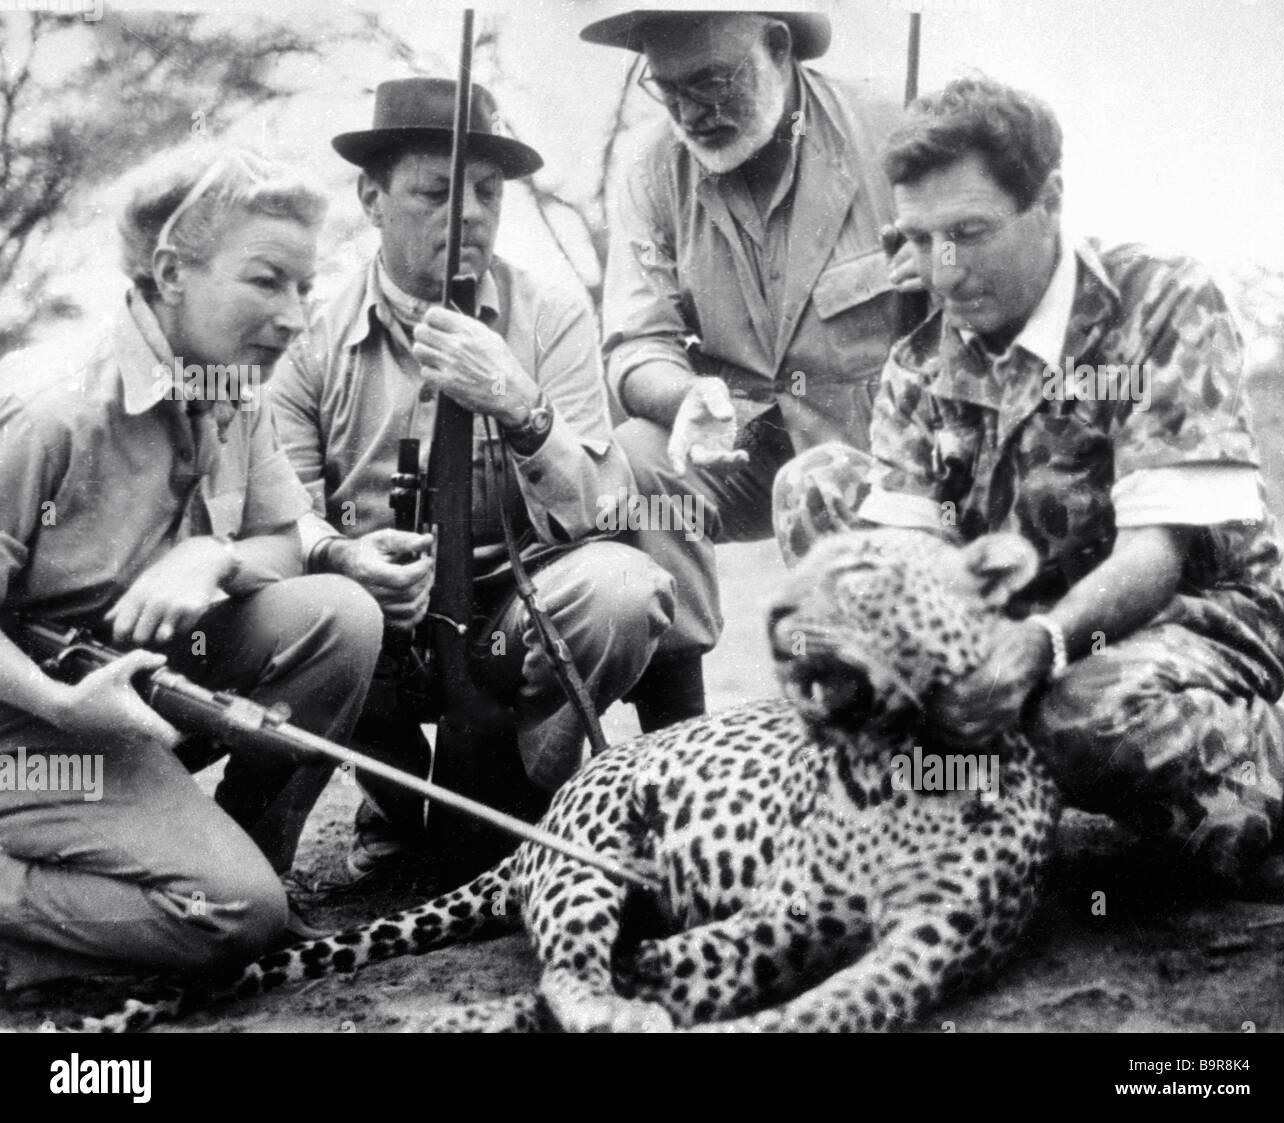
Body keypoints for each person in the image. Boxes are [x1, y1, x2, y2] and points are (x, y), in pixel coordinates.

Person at [772, 77, 1284, 898]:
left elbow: (1157, 554)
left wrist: (1040, 648)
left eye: (970, 233)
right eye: (918, 238)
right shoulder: (920, 358)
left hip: (1187, 611)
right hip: (1023, 613)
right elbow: (910, 548)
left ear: (1048, 201)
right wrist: (908, 655)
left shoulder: (1159, 302)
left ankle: (1271, 770)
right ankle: (956, 779)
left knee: (1080, 713)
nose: (942, 271)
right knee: (816, 492)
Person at [269, 78, 675, 881]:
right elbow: (280, 514)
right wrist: (343, 559)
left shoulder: (550, 312)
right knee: (303, 604)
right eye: (435, 192)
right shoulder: (307, 333)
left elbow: (600, 512)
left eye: (488, 193)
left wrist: (520, 405)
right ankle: (385, 795)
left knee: (625, 588)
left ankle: (511, 786)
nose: (470, 215)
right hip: (371, 618)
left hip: (509, 616)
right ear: (373, 199)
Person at [0, 145, 384, 991]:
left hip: (121, 693)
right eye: (266, 280)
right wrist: (63, 704)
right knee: (226, 915)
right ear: (172, 272)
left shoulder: (226, 384)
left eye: (304, 289)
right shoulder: (53, 409)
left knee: (340, 614)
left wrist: (210, 553)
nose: (293, 315)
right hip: (29, 724)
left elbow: (284, 539)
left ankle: (245, 862)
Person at [580, 8, 917, 731]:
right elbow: (636, 343)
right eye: (667, 90)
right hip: (742, 446)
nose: (692, 114)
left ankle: (905, 732)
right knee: (637, 457)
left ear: (778, 45)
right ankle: (677, 738)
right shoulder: (648, 175)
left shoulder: (897, 133)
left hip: (885, 450)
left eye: (712, 81)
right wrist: (685, 395)